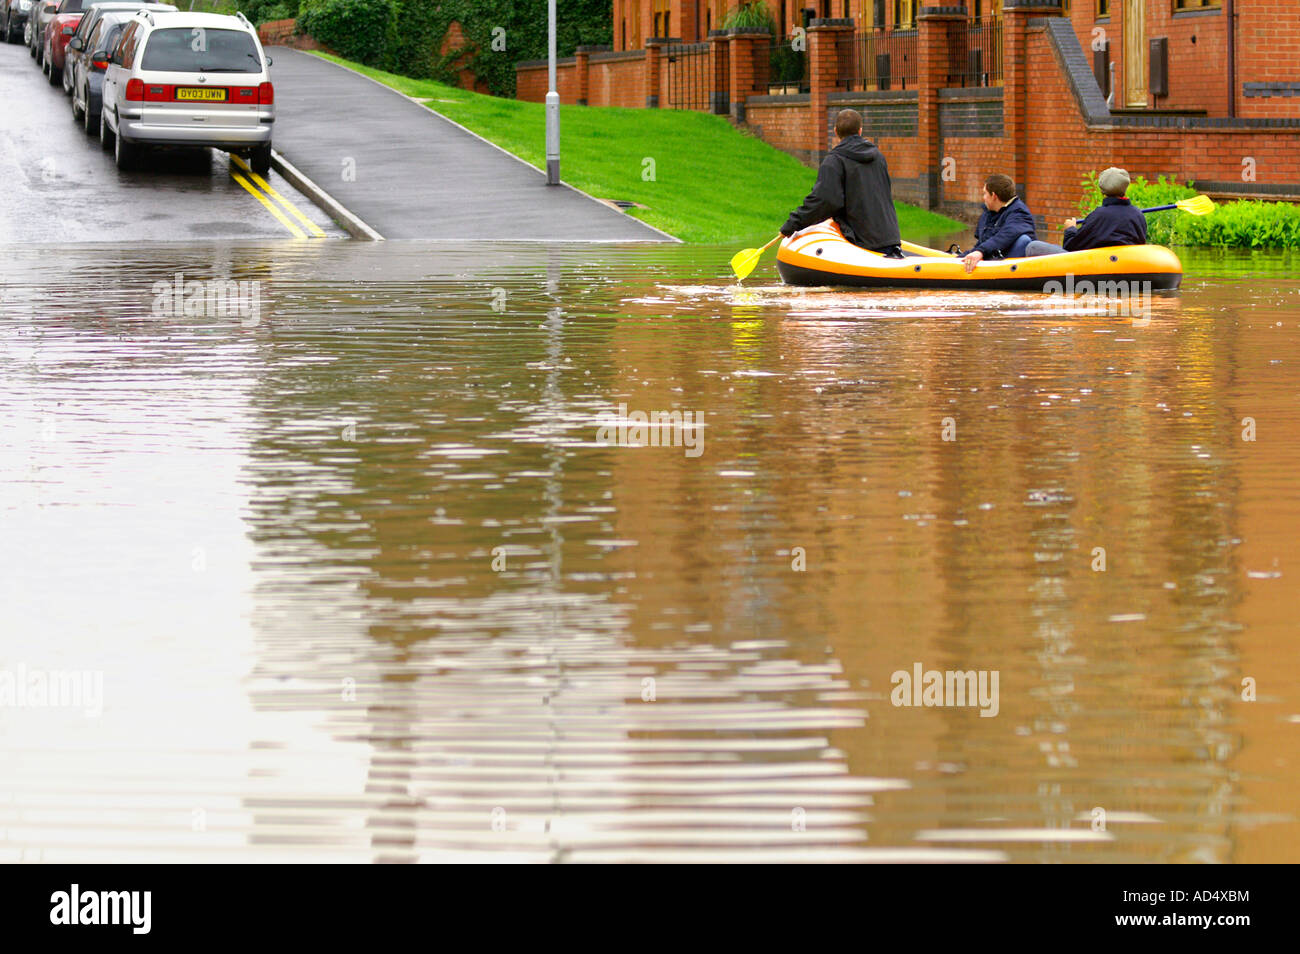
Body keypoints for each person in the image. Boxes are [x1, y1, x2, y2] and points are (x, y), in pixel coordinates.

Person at [781, 109, 903, 257]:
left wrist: (792, 225)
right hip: (890, 239)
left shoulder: (834, 161)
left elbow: (824, 201)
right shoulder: (878, 157)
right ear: (860, 130)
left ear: (835, 131)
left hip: (862, 243)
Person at [1025, 167, 1147, 256]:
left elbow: (1071, 247)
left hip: (1096, 265)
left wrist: (1070, 230)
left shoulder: (1099, 215)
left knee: (1033, 246)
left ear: (1102, 191)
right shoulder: (1138, 214)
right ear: (1125, 188)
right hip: (1127, 264)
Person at [961, 174, 1036, 272]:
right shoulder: (989, 214)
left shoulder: (1020, 213)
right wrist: (960, 257)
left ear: (993, 196)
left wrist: (980, 251)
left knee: (1023, 240)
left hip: (1012, 265)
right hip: (993, 258)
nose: (983, 198)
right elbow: (982, 243)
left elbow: (1005, 236)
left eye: (985, 193)